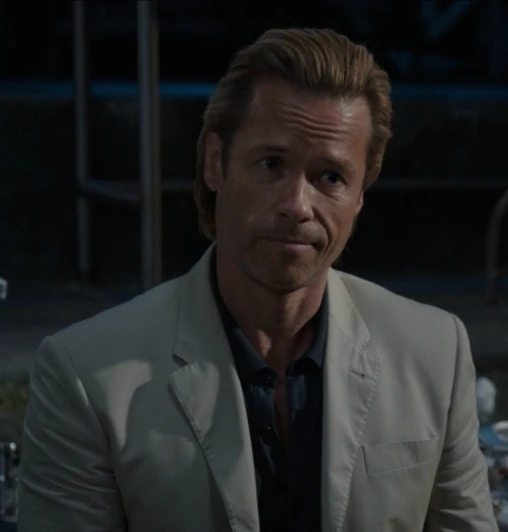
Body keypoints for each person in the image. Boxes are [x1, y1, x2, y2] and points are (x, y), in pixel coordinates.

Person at [17, 28, 497, 532]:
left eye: (330, 177)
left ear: (360, 193)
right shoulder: (88, 375)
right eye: (271, 164)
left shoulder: (433, 351)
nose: (297, 205)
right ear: (215, 162)